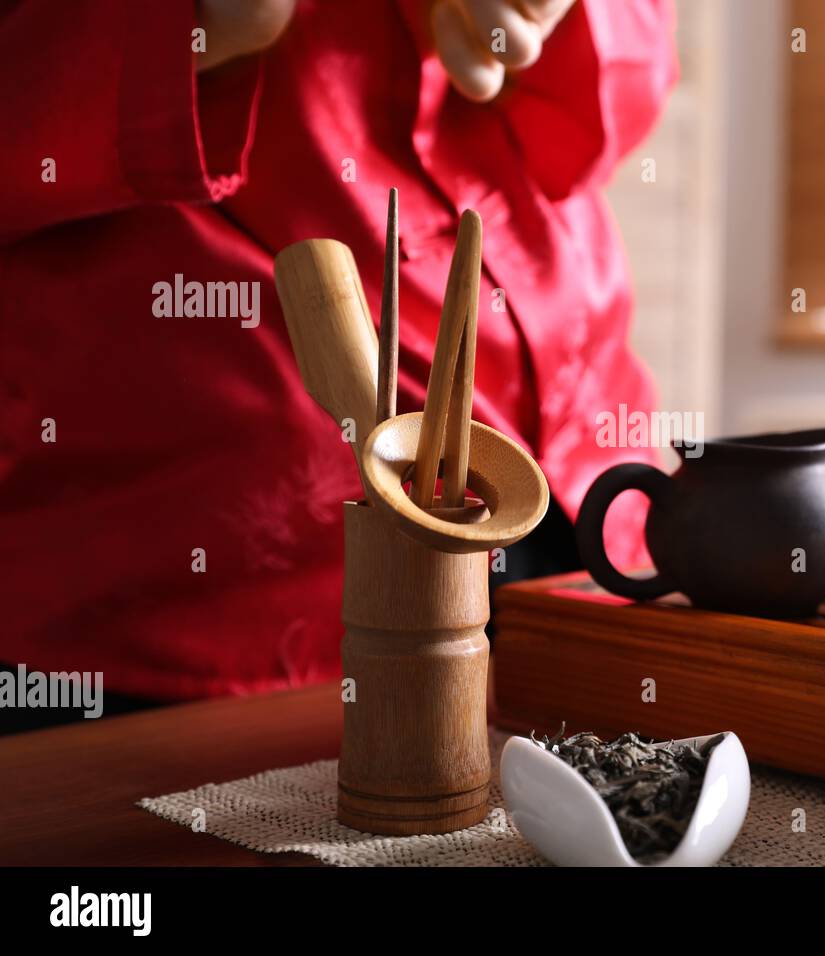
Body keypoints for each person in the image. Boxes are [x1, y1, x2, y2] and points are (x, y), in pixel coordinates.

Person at [0, 0, 675, 731]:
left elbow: (631, 85)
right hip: (200, 614)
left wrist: (560, 16)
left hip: (594, 509)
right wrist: (178, 28)